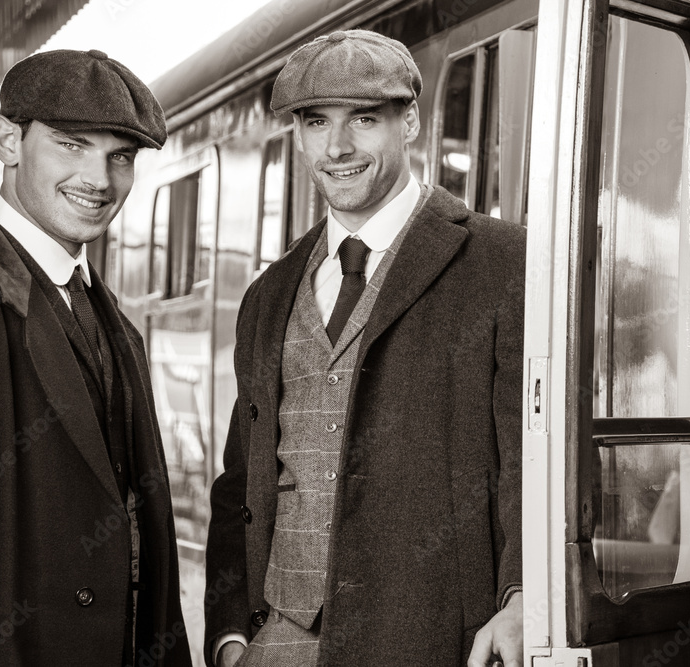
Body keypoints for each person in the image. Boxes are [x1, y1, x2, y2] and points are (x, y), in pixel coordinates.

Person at [204, 29, 524, 667]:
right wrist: (231, 634)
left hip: (432, 639)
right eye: (317, 121)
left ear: (410, 123)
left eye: (365, 119)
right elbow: (239, 479)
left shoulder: (503, 262)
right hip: (279, 641)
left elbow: (528, 457)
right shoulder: (268, 295)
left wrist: (522, 598)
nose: (338, 146)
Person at [0, 49, 190, 666]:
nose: (100, 180)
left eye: (121, 157)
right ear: (8, 141)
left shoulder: (116, 324)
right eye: (71, 145)